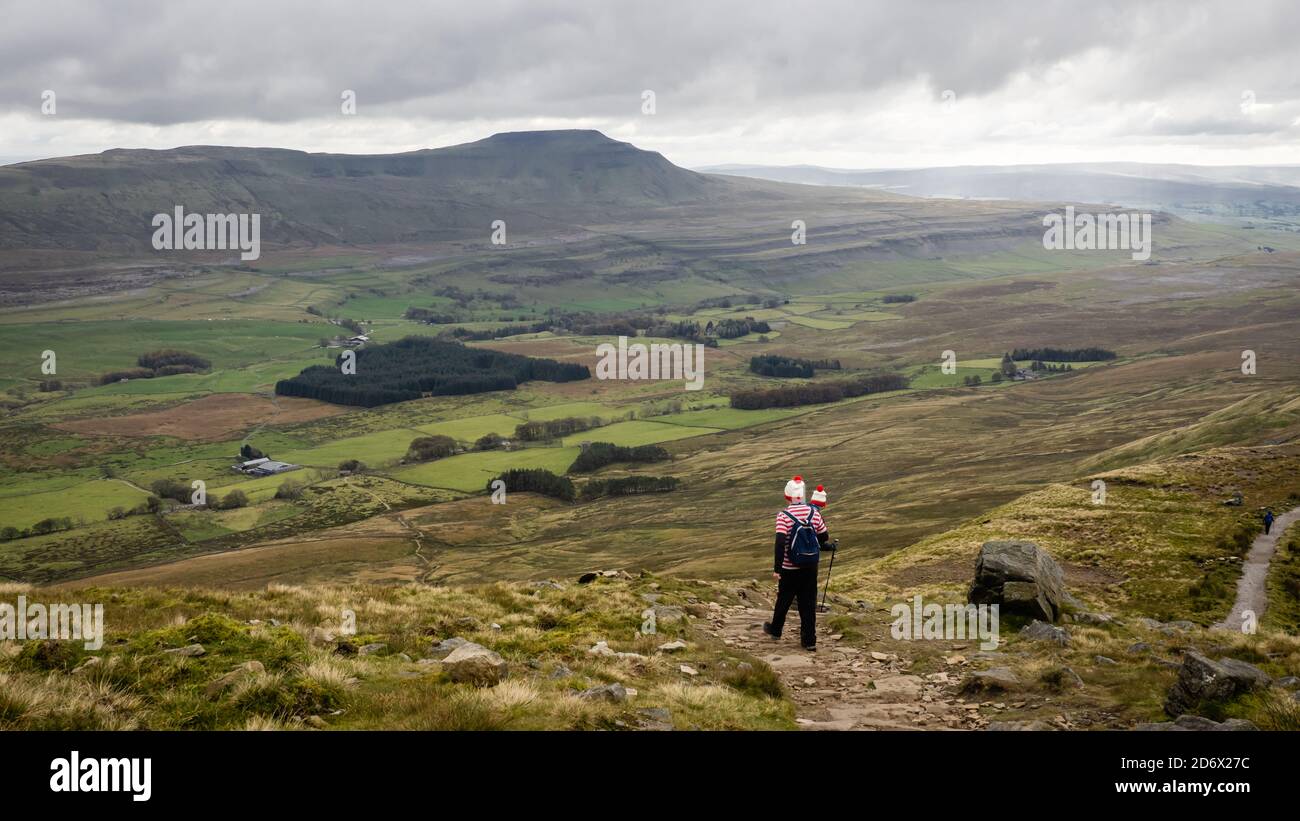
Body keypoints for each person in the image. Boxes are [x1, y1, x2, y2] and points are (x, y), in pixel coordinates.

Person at [763, 476, 833, 651]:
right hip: (810, 567)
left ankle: (776, 630)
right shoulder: (813, 513)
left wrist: (777, 568)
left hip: (789, 568)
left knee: (784, 599)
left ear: (788, 496)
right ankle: (809, 641)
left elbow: (780, 543)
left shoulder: (783, 516)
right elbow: (824, 536)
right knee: (808, 604)